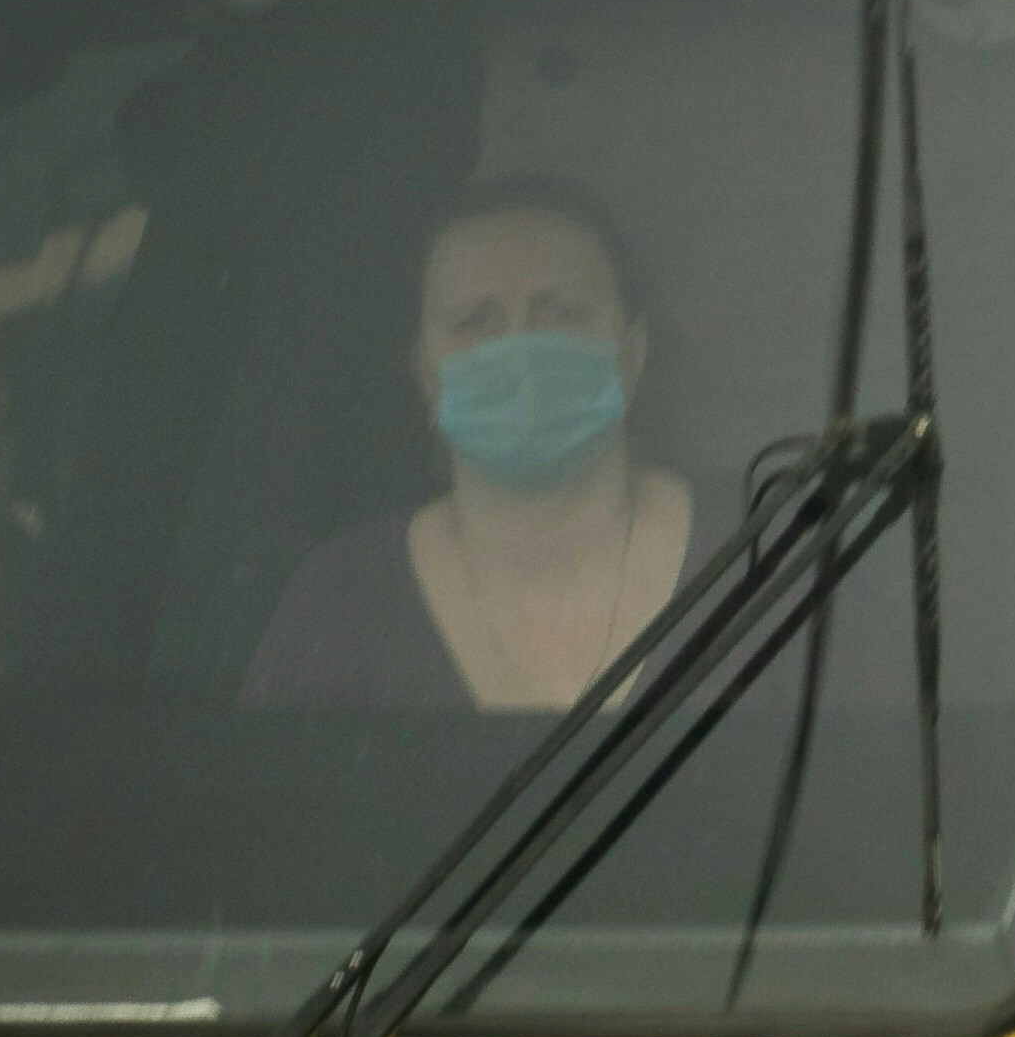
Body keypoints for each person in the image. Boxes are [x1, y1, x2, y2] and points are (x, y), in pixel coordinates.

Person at [241, 173, 695, 715]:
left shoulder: (773, 550)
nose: (518, 348)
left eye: (561, 314)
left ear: (631, 356)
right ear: (426, 375)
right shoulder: (341, 598)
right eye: (475, 321)